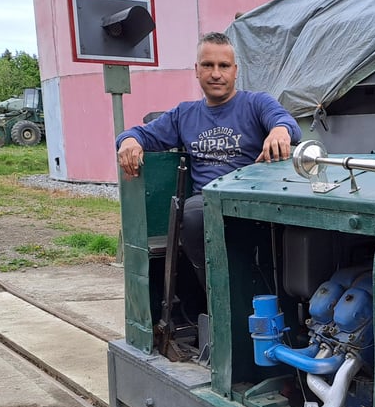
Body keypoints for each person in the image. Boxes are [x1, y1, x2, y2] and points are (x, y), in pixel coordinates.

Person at [116, 32, 302, 285]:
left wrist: (280, 131)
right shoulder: (184, 114)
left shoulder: (257, 103)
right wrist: (128, 142)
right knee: (192, 216)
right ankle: (215, 295)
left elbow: (286, 122)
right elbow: (139, 134)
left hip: (252, 202)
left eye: (223, 66)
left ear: (235, 70)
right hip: (206, 203)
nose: (216, 73)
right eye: (208, 65)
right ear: (197, 69)